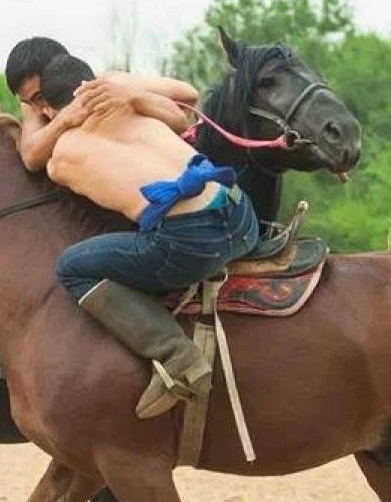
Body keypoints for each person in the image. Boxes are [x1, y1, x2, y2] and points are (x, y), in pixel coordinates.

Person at [22, 52, 260, 418]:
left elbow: (30, 156)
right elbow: (186, 94)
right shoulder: (123, 88)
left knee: (72, 266)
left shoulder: (62, 157)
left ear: (48, 110)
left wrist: (36, 118)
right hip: (242, 214)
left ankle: (175, 354)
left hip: (192, 244)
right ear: (89, 81)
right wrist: (132, 93)